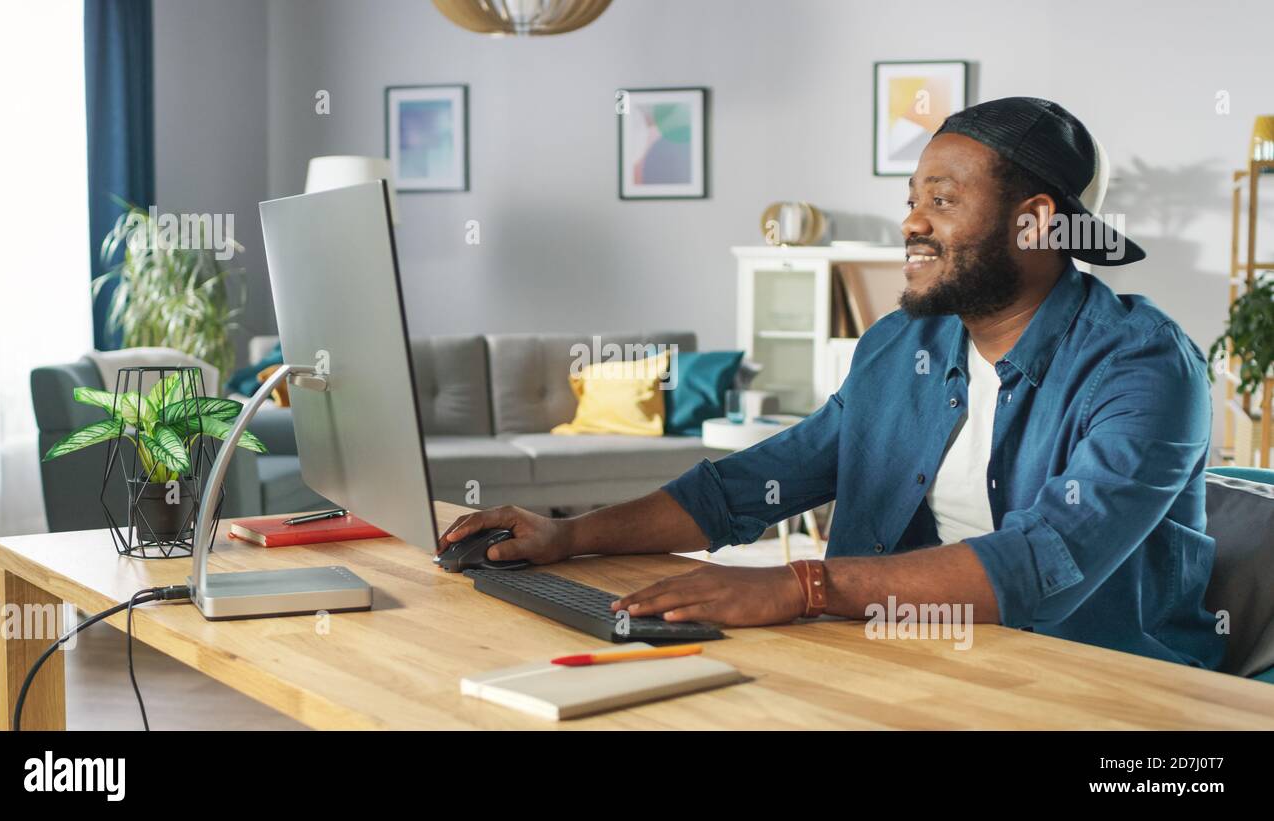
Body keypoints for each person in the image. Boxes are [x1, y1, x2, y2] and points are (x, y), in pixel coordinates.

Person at [438, 97, 1223, 669]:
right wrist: (568, 534)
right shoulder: (902, 345)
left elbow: (1043, 565)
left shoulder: (1145, 368)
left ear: (1037, 222)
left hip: (1096, 688)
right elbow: (754, 484)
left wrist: (803, 583)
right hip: (907, 663)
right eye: (912, 199)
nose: (912, 222)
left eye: (942, 201)